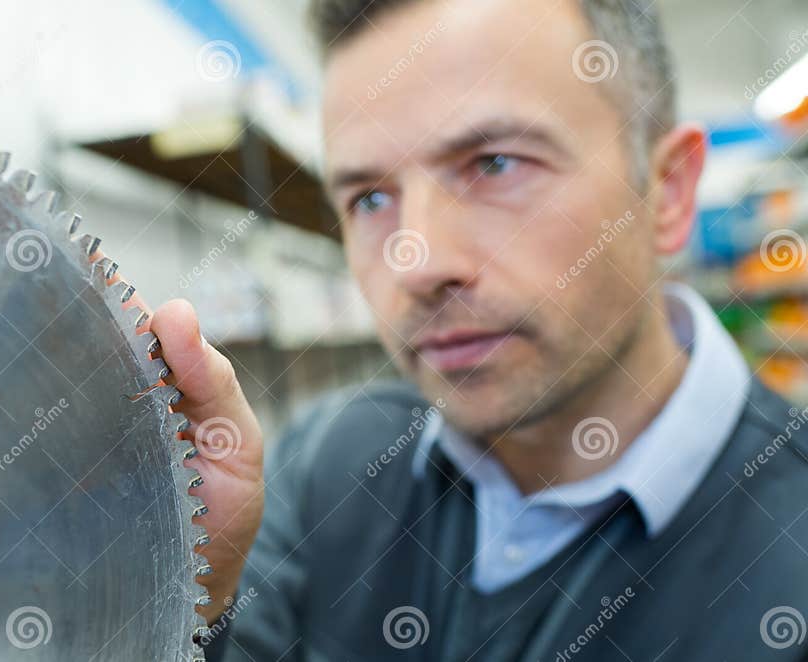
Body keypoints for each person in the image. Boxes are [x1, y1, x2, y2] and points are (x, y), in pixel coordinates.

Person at [133, 0, 808, 659]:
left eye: (495, 165)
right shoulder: (327, 464)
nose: (418, 262)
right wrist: (182, 597)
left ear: (666, 190)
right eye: (369, 199)